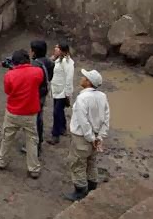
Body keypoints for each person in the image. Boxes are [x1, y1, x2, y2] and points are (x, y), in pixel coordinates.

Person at [0, 49, 44, 180]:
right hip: (30, 113)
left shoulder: (10, 75)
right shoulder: (37, 72)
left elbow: (8, 91)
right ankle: (33, 168)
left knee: (7, 137)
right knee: (32, 141)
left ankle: (1, 161)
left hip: (13, 112)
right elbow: (39, 81)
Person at [64, 69, 110, 202]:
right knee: (91, 162)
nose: (82, 78)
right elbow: (106, 118)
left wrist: (90, 138)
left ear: (88, 82)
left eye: (84, 77)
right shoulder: (102, 96)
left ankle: (80, 191)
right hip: (95, 135)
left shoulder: (82, 98)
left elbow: (83, 121)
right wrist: (100, 137)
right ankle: (92, 188)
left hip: (82, 138)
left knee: (77, 163)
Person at [47, 41, 74, 145]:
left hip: (62, 92)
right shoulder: (58, 59)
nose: (55, 48)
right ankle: (62, 128)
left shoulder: (68, 63)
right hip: (57, 90)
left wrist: (67, 94)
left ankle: (55, 135)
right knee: (59, 111)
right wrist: (53, 58)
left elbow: (69, 79)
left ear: (62, 50)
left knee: (56, 112)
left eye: (57, 47)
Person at [29, 40, 54, 154]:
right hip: (43, 93)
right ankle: (39, 141)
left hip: (36, 94)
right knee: (39, 116)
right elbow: (50, 78)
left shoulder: (35, 65)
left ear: (34, 52)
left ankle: (36, 145)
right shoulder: (49, 62)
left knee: (34, 119)